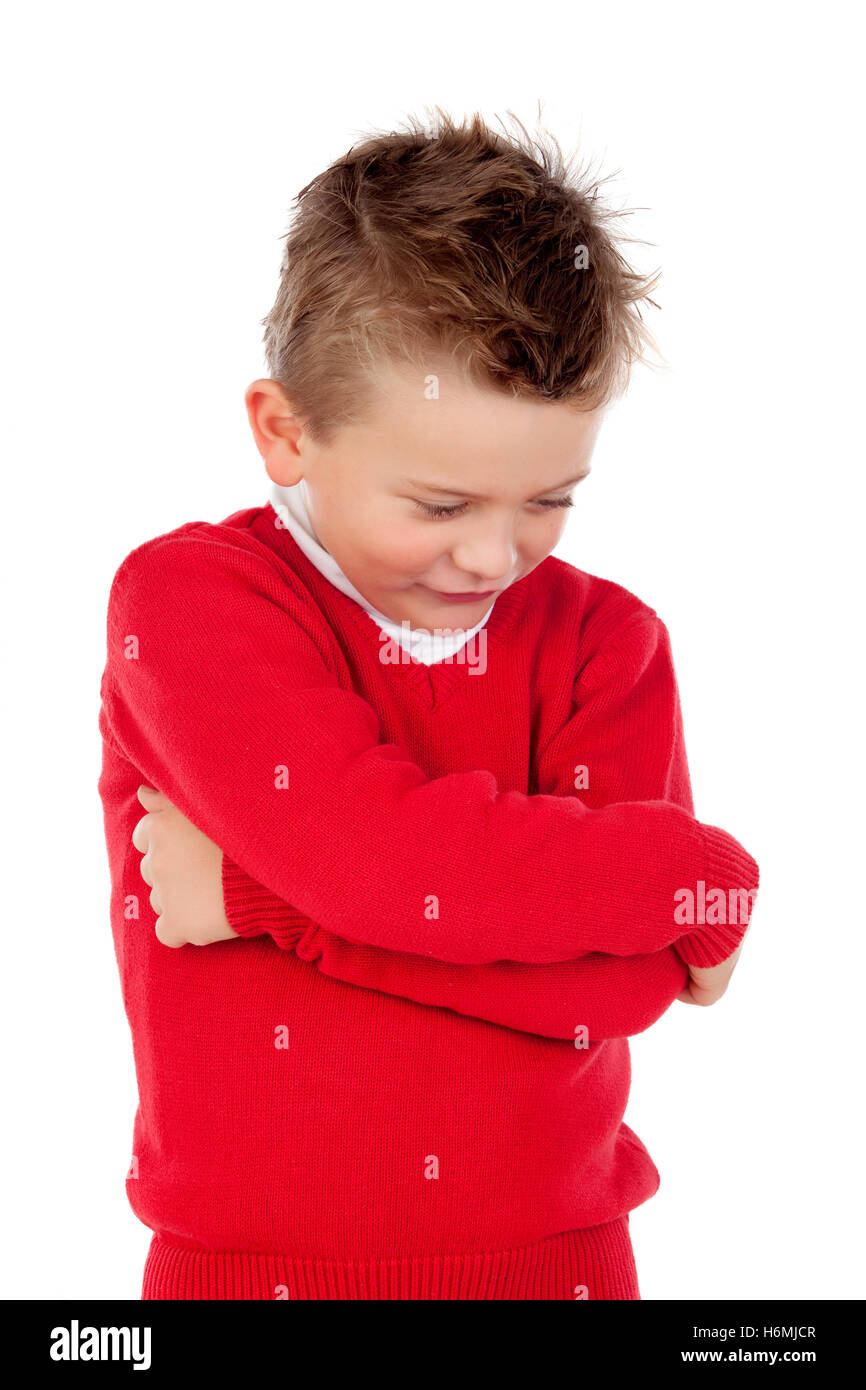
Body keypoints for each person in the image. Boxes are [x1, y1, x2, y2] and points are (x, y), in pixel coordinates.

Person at [97, 109, 759, 1300]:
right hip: (248, 1274)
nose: (495, 556)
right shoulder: (191, 603)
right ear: (285, 431)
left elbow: (623, 980)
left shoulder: (607, 640)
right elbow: (365, 856)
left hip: (555, 1267)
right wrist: (666, 877)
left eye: (549, 499)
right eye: (442, 505)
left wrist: (260, 899)